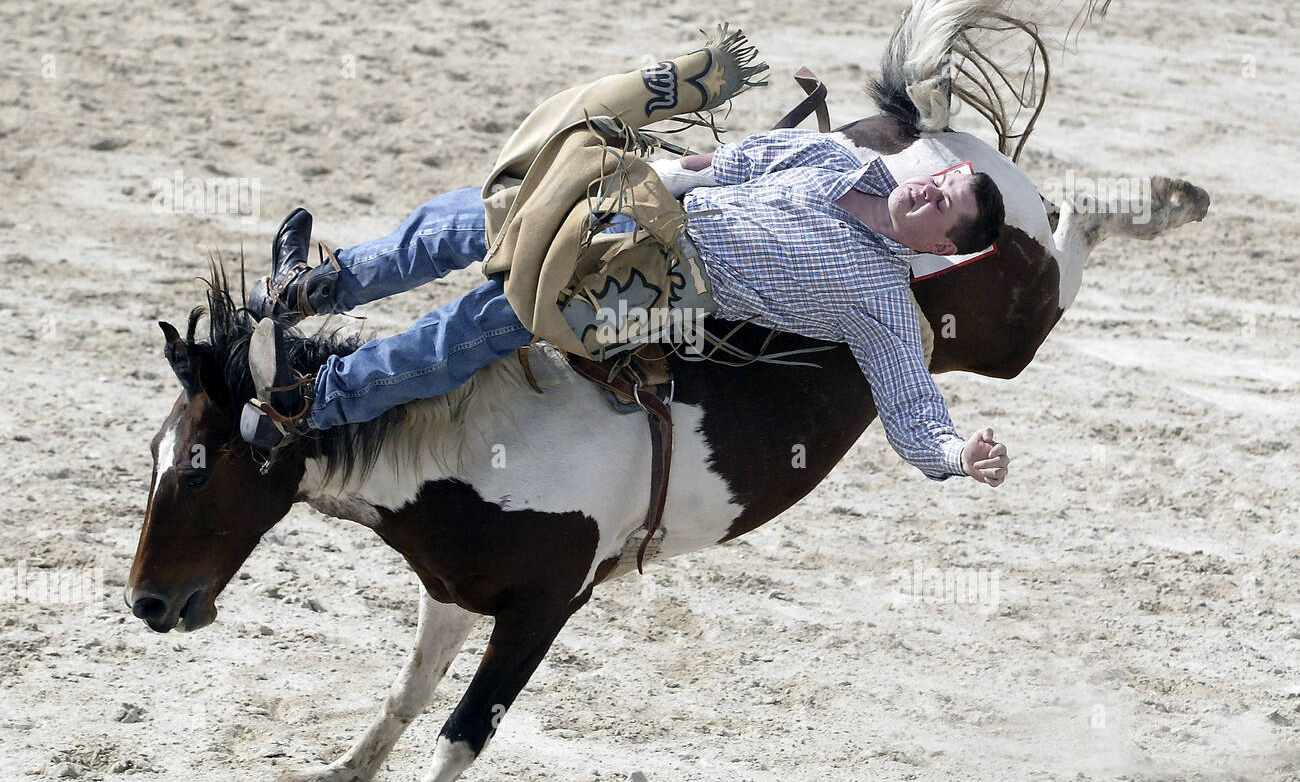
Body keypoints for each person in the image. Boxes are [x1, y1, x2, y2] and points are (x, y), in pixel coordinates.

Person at [240, 126, 1011, 488]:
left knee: (484, 320)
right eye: (940, 180)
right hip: (641, 209)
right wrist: (625, 184)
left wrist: (955, 456)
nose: (928, 189)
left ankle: (309, 405)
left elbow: (912, 405)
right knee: (470, 219)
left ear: (945, 247)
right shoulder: (835, 158)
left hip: (658, 292)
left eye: (944, 205)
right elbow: (723, 162)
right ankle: (308, 289)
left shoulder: (880, 300)